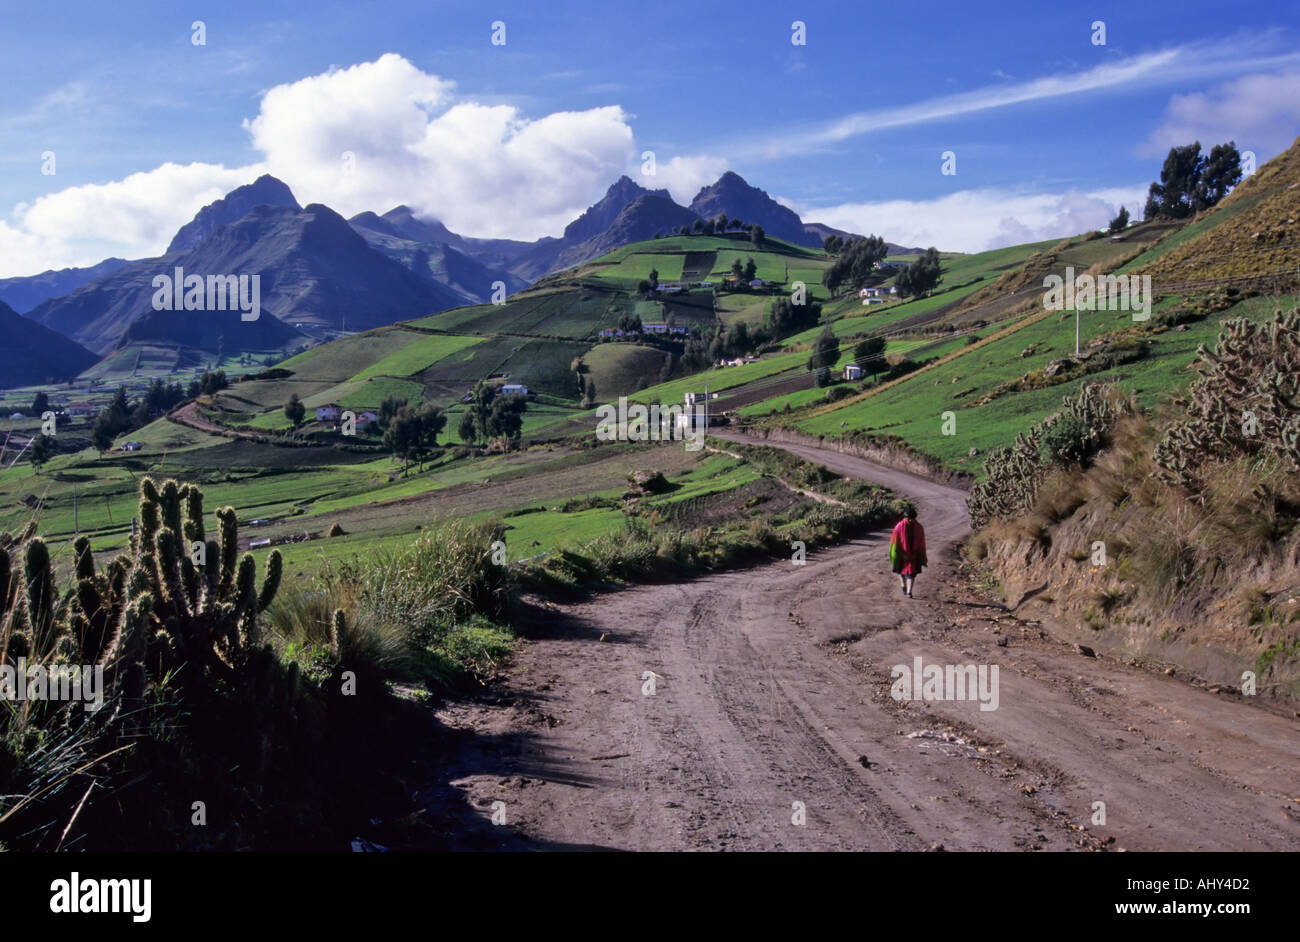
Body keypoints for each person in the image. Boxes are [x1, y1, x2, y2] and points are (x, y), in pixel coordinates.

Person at [889, 507, 927, 598]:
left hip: (914, 554)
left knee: (912, 573)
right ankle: (903, 584)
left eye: (912, 518)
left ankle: (909, 592)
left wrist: (916, 554)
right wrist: (902, 555)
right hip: (901, 554)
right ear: (905, 517)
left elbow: (921, 542)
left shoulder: (919, 528)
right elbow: (895, 544)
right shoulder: (898, 527)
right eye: (909, 518)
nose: (910, 520)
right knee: (901, 572)